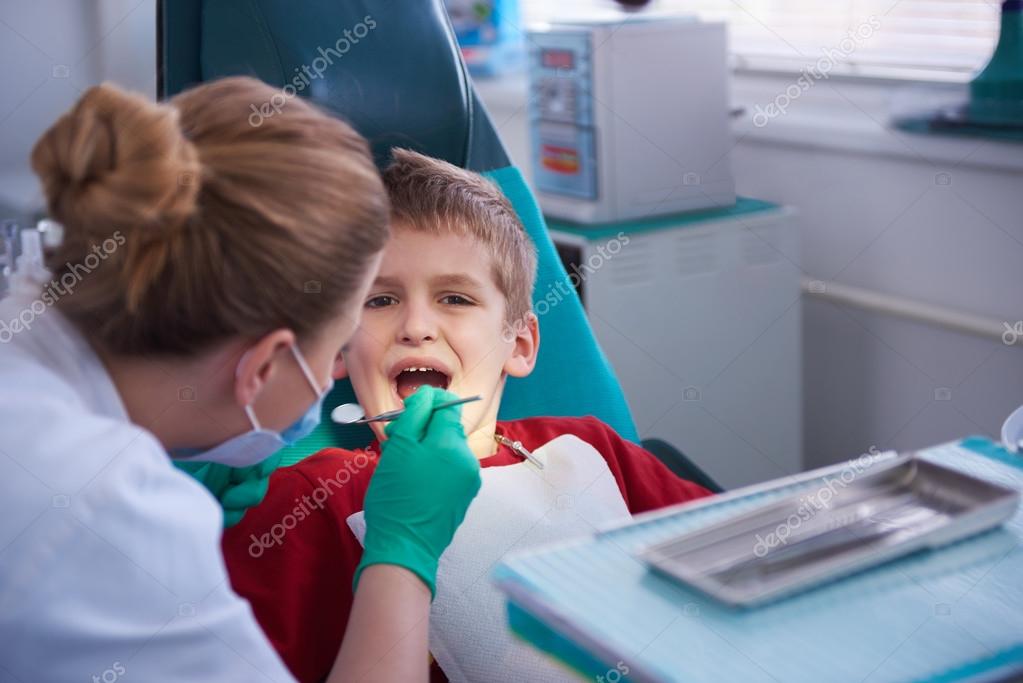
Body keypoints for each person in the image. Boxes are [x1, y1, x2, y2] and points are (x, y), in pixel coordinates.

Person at [0, 79, 480, 683]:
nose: (413, 329)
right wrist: (404, 552)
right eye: (337, 348)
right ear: (260, 367)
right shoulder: (107, 514)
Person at [219, 149, 714, 682]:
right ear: (339, 349)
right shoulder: (310, 499)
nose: (416, 327)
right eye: (380, 300)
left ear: (519, 345)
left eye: (454, 298)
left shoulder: (591, 449)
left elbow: (737, 562)